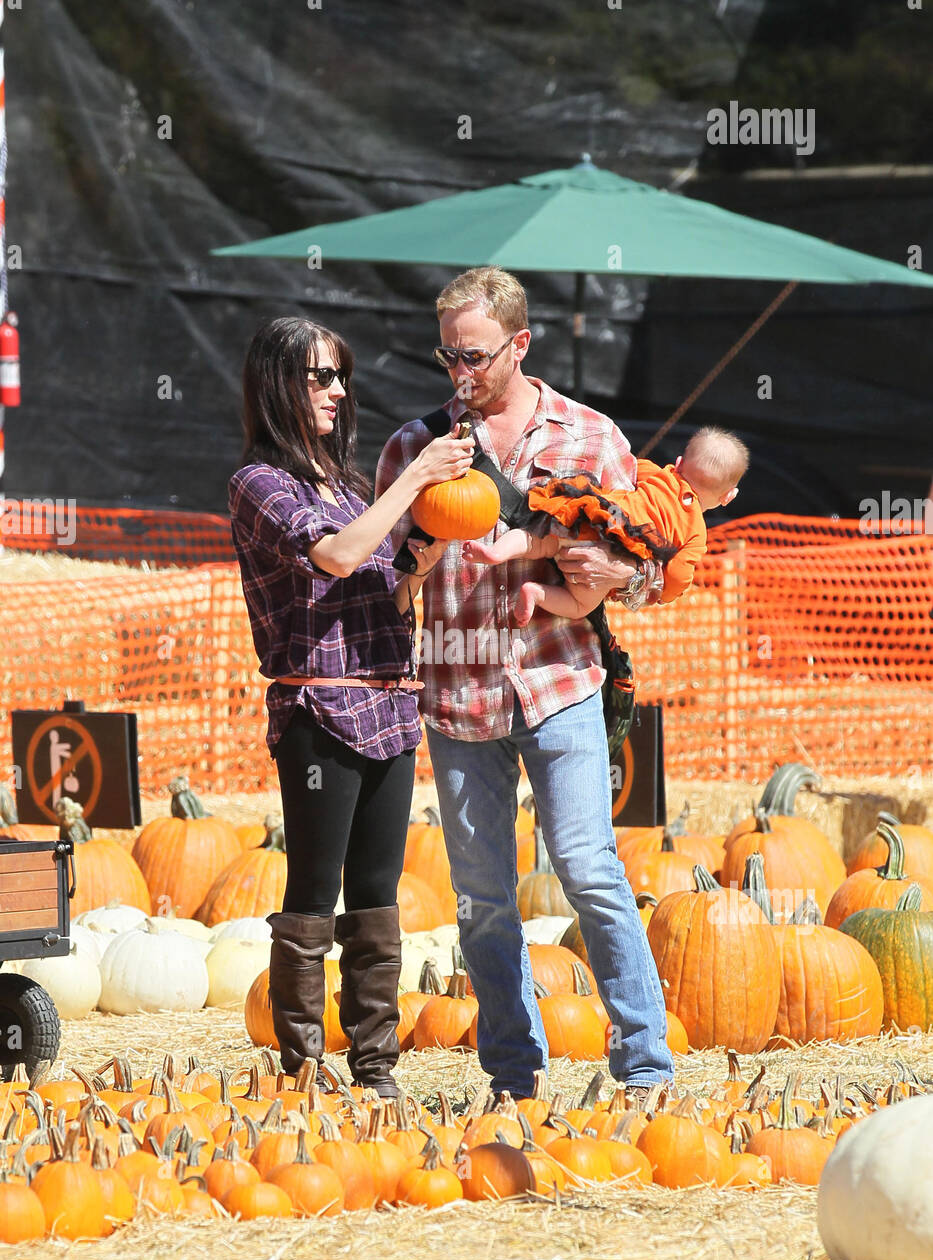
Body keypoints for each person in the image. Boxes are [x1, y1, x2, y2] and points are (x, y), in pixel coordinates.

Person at [376, 266, 674, 1100]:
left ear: (519, 343)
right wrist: (414, 559)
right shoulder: (412, 447)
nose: (458, 375)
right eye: (446, 359)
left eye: (473, 356)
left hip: (558, 683)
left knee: (587, 869)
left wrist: (606, 568)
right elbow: (385, 592)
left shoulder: (590, 438)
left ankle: (645, 1066)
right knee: (479, 898)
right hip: (455, 696)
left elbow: (652, 571)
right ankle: (513, 1073)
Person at [228, 316, 473, 1097]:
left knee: (376, 896)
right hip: (319, 711)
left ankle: (375, 1070)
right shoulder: (259, 484)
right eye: (319, 376)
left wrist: (416, 565)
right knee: (312, 892)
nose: (337, 390)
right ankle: (302, 1069)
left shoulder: (345, 487)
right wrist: (410, 481)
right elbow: (331, 557)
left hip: (389, 706)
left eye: (340, 376)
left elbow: (376, 588)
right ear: (278, 384)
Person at [462, 428, 748, 625]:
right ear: (728, 497)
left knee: (537, 540)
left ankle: (496, 553)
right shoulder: (697, 531)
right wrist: (668, 595)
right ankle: (536, 593)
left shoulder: (659, 474)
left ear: (679, 463)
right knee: (579, 605)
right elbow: (678, 574)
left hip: (593, 517)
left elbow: (631, 470)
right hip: (616, 546)